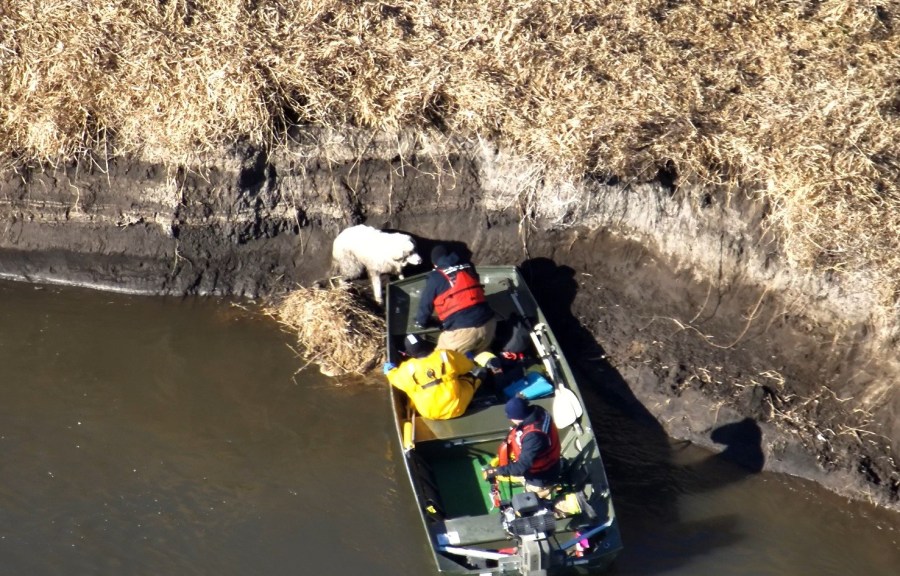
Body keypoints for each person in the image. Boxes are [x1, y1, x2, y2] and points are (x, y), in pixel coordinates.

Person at [415, 244, 497, 355]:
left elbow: (424, 310)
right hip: (489, 326)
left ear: (435, 264)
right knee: (480, 354)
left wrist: (422, 323)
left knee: (440, 363)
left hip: (463, 332)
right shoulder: (469, 266)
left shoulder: (435, 277)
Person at [383, 334, 485, 420]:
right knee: (473, 377)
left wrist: (389, 371)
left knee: (412, 391)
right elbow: (467, 366)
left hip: (428, 413)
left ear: (410, 353)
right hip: (456, 408)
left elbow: (395, 378)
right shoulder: (444, 355)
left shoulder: (407, 368)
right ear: (425, 344)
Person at [482, 397, 562, 498]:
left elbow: (521, 467)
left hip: (541, 477)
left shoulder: (534, 437)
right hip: (542, 460)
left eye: (511, 417)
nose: (510, 420)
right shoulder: (538, 411)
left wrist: (496, 471)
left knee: (532, 499)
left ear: (518, 417)